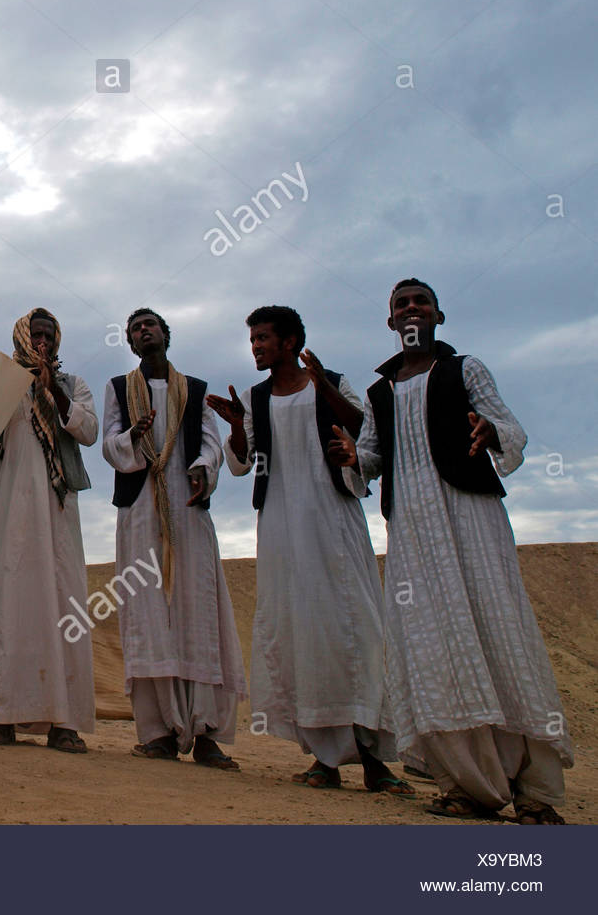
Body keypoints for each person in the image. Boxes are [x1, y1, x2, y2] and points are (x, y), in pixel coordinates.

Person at [328, 280, 571, 824]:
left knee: (497, 628)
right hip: (411, 532)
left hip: (471, 519)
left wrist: (491, 430)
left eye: (420, 301)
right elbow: (368, 459)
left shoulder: (467, 369)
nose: (411, 309)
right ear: (391, 323)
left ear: (438, 315)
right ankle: (465, 785)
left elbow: (510, 425)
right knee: (430, 644)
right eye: (400, 305)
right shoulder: (379, 392)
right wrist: (351, 455)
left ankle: (533, 790)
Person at [207, 305, 410, 794]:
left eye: (263, 339)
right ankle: (323, 759)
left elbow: (369, 435)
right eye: (252, 340)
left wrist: (324, 389)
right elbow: (241, 463)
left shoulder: (333, 381)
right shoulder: (256, 397)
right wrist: (236, 426)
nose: (256, 347)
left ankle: (375, 760)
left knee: (353, 628)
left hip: (333, 521)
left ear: (292, 341)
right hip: (278, 525)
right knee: (298, 633)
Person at [101, 308, 244, 768]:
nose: (145, 331)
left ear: (167, 334)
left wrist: (203, 470)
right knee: (146, 611)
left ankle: (206, 733)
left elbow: (210, 443)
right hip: (141, 510)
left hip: (186, 509)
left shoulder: (196, 390)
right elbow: (108, 445)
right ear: (129, 342)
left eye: (151, 324)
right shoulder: (119, 389)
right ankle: (157, 732)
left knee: (195, 611)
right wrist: (131, 438)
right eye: (136, 328)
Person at [0, 308, 97, 754]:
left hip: (58, 507)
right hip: (7, 506)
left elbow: (89, 431)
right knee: (7, 598)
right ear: (21, 335)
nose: (43, 341)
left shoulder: (72, 385)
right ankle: (0, 716)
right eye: (36, 333)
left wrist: (50, 392)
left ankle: (64, 722)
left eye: (49, 335)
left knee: (62, 599)